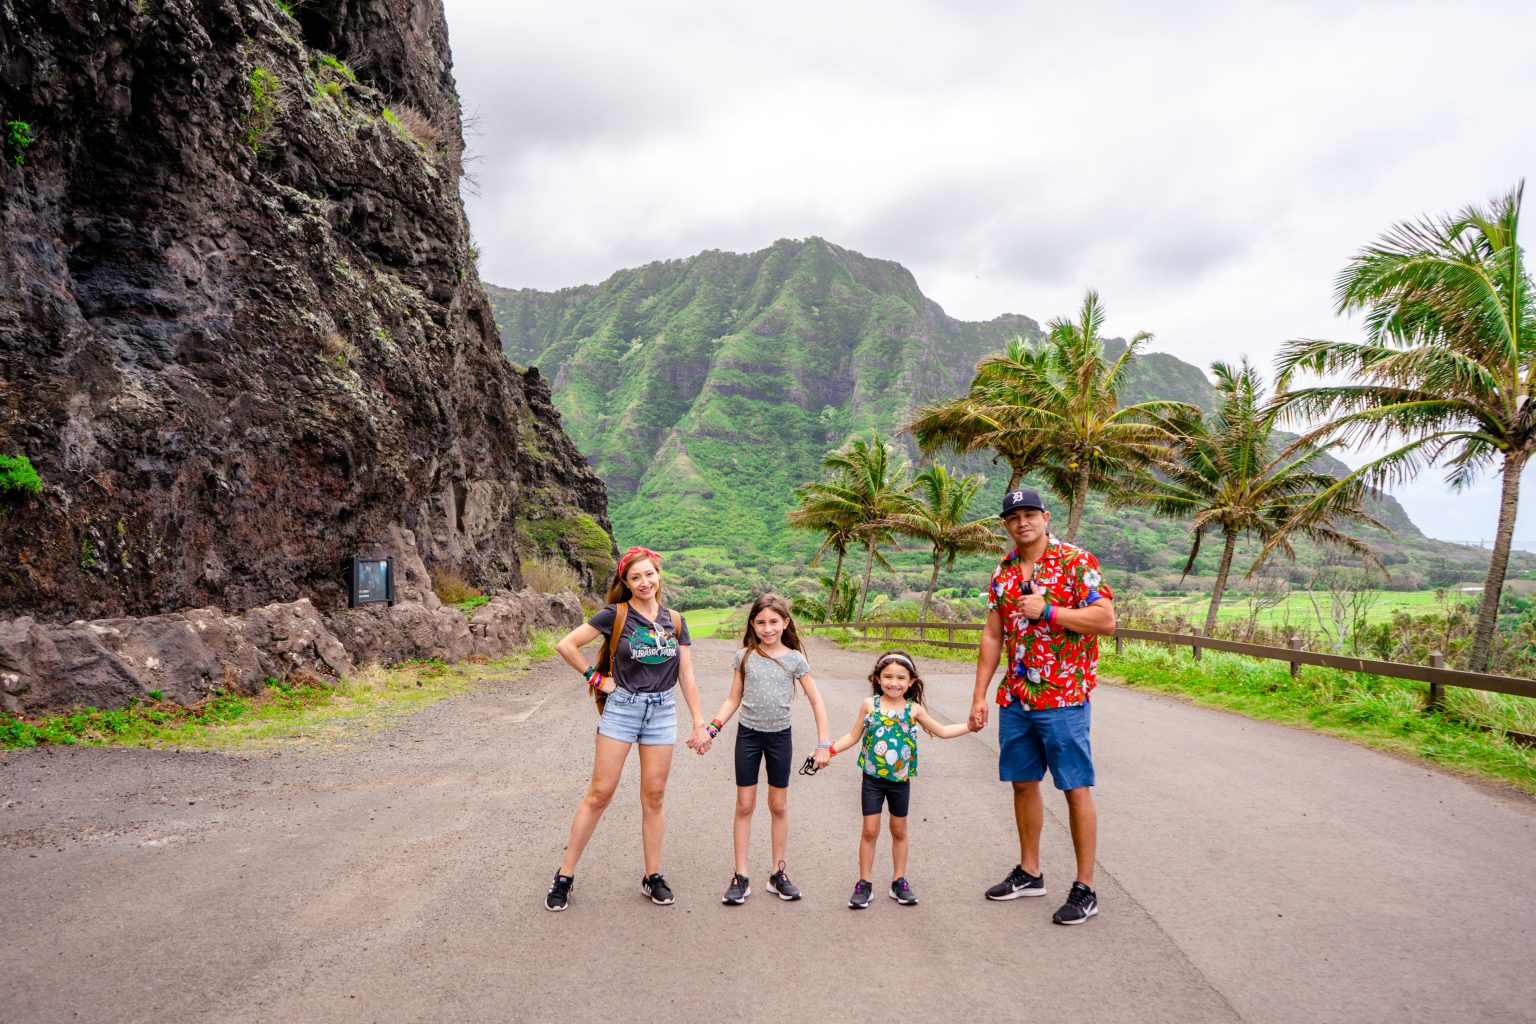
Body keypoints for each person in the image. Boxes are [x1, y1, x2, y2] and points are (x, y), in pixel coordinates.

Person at [968, 487, 1115, 925]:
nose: (1022, 522)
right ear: (1005, 525)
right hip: (1016, 696)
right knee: (1022, 782)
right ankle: (1030, 871)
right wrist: (979, 695)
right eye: (1013, 517)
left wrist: (1050, 611)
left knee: (1074, 787)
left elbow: (1105, 620)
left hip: (1064, 695)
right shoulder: (1003, 572)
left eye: (1030, 514)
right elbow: (993, 635)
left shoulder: (1076, 561)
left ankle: (1085, 887)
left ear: (1046, 517)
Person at [545, 546, 709, 911]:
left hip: (663, 711)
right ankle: (565, 875)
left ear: (658, 575)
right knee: (600, 793)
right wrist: (596, 678)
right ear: (626, 582)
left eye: (649, 574)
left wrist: (699, 720)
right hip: (623, 709)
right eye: (635, 577)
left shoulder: (676, 620)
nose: (644, 582)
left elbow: (686, 673)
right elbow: (566, 645)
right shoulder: (615, 614)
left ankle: (653, 877)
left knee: (654, 796)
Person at [696, 593, 831, 905]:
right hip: (749, 737)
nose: (768, 628)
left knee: (778, 806)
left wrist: (824, 744)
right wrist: (711, 729)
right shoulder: (744, 656)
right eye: (761, 622)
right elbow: (733, 699)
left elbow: (816, 700)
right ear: (752, 625)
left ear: (785, 623)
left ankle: (777, 873)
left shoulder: (796, 659)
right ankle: (740, 876)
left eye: (774, 622)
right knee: (744, 805)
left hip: (780, 737)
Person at [826, 649, 978, 909]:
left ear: (911, 682)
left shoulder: (914, 710)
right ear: (877, 678)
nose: (893, 682)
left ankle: (899, 881)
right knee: (870, 831)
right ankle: (864, 883)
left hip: (900, 782)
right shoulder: (869, 705)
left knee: (899, 830)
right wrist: (827, 751)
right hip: (872, 780)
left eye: (900, 677)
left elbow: (941, 731)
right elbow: (852, 737)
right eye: (887, 676)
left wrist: (969, 726)